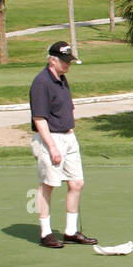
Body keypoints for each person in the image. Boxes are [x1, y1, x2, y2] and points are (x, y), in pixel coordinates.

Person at [30, 41, 95, 248]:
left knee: (76, 183)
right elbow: (39, 119)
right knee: (48, 184)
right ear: (52, 60)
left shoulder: (62, 79)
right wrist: (52, 147)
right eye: (65, 61)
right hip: (51, 138)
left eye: (70, 61)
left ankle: (70, 231)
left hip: (68, 136)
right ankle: (45, 233)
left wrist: (71, 134)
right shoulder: (41, 83)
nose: (68, 65)